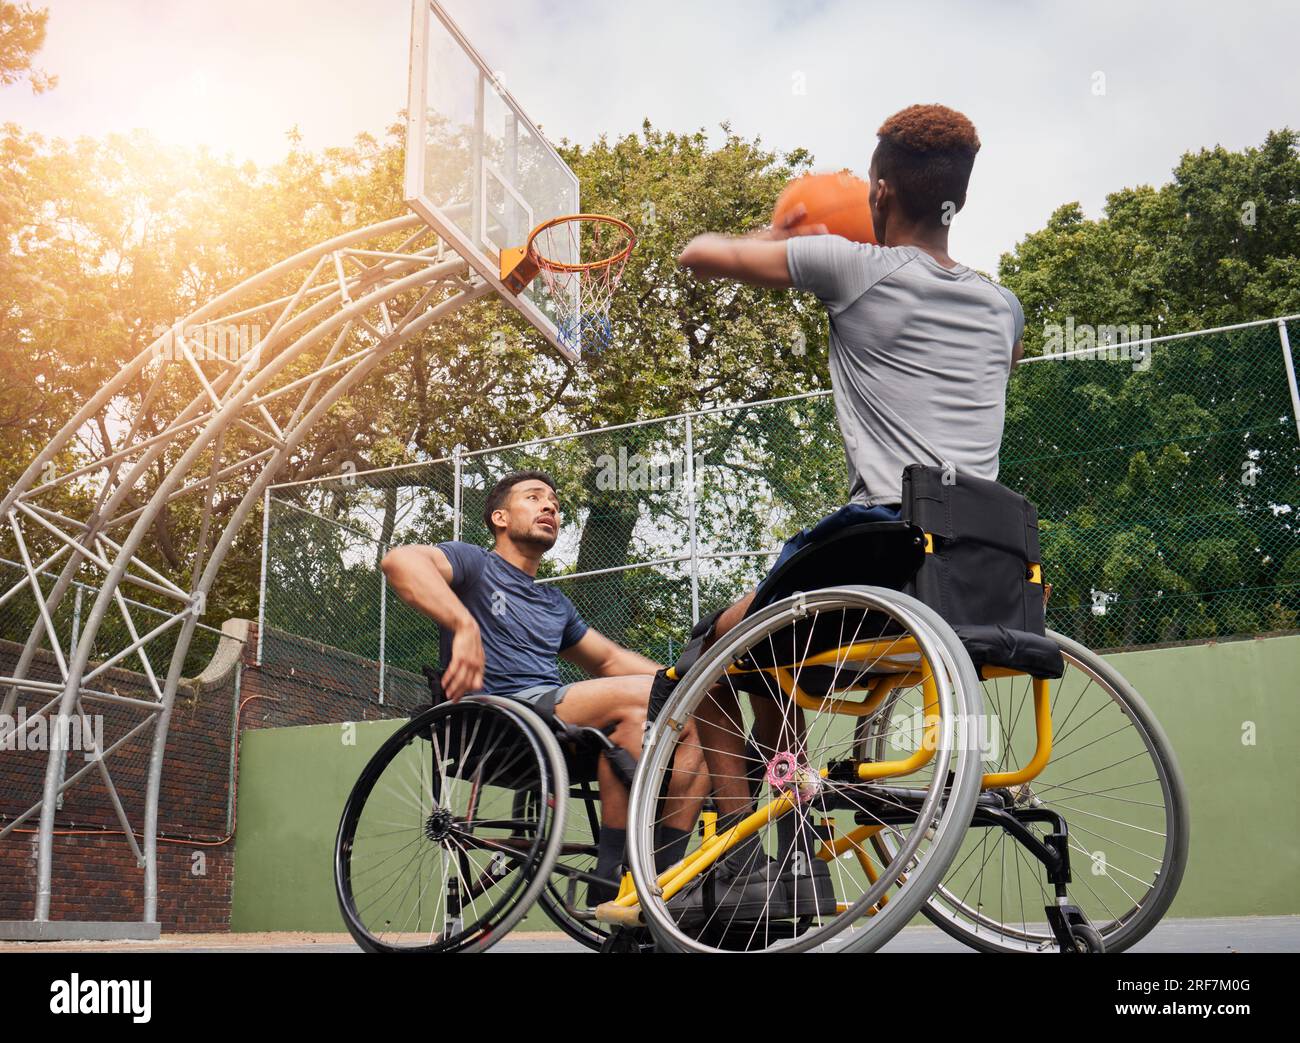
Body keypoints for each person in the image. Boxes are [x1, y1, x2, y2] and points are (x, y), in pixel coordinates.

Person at [667, 102, 1024, 865]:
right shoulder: (1005, 308)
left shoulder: (849, 268)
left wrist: (785, 235)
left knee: (713, 649)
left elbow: (696, 254)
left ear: (883, 192)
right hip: (983, 567)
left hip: (884, 550)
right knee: (769, 650)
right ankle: (793, 819)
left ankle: (745, 860)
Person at [381, 469, 708, 903]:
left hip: (553, 727)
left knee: (691, 730)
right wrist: (462, 624)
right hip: (494, 722)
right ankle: (614, 871)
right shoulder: (474, 564)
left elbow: (610, 660)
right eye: (534, 498)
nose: (550, 506)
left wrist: (695, 681)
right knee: (643, 701)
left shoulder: (555, 604)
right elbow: (399, 561)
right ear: (500, 517)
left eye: (554, 502)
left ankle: (660, 881)